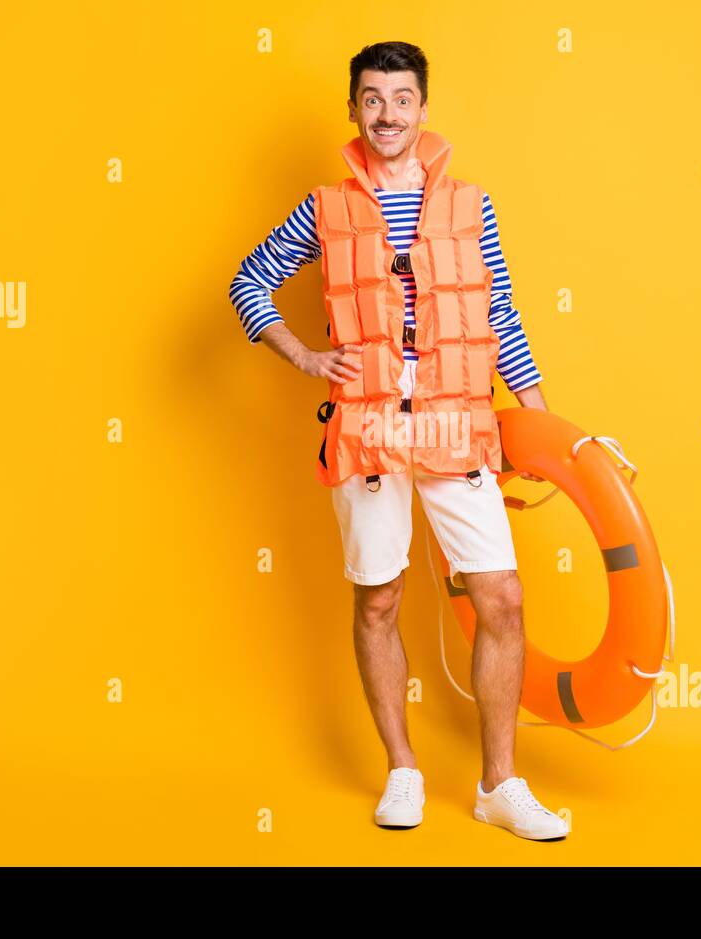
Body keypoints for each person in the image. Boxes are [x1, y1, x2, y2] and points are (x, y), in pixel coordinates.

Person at [228, 41, 568, 841]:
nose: (387, 113)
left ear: (424, 108)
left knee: (504, 600)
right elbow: (248, 280)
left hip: (457, 419)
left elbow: (499, 315)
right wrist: (307, 356)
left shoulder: (471, 206)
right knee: (378, 598)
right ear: (353, 109)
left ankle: (499, 785)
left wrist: (542, 420)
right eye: (371, 98)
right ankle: (403, 769)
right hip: (369, 423)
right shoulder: (325, 208)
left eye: (402, 98)